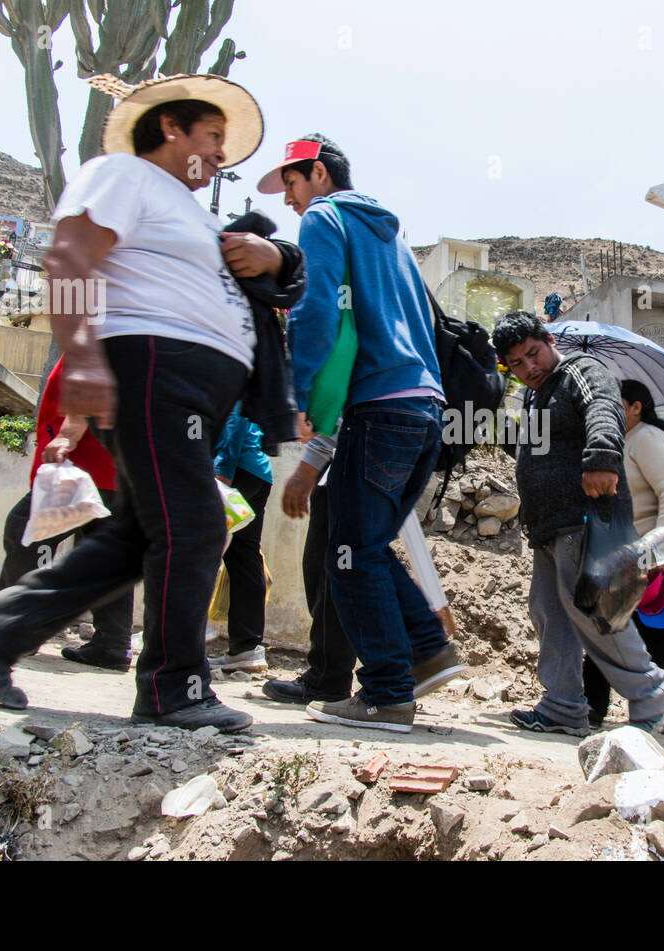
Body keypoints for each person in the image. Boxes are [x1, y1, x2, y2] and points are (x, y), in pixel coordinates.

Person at [0, 75, 300, 732]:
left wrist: (268, 252)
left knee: (143, 532)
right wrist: (79, 359)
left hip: (196, 387)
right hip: (154, 368)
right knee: (195, 525)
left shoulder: (191, 210)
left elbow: (273, 281)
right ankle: (174, 687)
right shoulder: (123, 177)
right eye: (213, 137)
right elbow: (70, 258)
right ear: (171, 128)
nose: (222, 155)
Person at [256, 134, 466, 732]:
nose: (291, 202)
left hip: (378, 407)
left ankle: (386, 694)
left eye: (292, 185)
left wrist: (294, 392)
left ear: (317, 174)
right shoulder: (389, 234)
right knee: (365, 547)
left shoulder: (325, 218)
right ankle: (426, 651)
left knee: (345, 554)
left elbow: (316, 308)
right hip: (423, 407)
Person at [492, 312, 664, 737]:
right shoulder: (536, 396)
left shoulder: (582, 371)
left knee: (596, 611)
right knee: (549, 612)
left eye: (534, 354)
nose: (530, 368)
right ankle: (562, 706)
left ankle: (652, 691)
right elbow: (535, 446)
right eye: (517, 365)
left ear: (547, 340)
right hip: (548, 524)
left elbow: (603, 407)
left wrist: (601, 459)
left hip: (585, 515)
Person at [582, 380, 664, 739]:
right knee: (616, 623)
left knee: (632, 626)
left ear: (636, 406)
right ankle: (598, 705)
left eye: (616, 403)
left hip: (658, 545)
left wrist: (659, 548)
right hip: (634, 547)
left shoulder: (647, 437)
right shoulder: (625, 441)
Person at [0, 357, 134, 671]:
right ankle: (112, 644)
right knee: (106, 557)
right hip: (114, 467)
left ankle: (13, 631)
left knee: (26, 535)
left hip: (83, 464)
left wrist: (69, 435)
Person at [260, 433, 359, 704]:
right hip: (344, 469)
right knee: (324, 573)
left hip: (349, 468)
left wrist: (307, 467)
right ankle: (332, 677)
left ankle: (328, 680)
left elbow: (337, 411)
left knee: (332, 578)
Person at [208, 404, 274, 674]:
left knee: (198, 548)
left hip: (235, 469)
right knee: (244, 557)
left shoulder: (228, 365)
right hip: (257, 470)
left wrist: (222, 469)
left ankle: (179, 633)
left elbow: (236, 415)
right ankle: (246, 648)